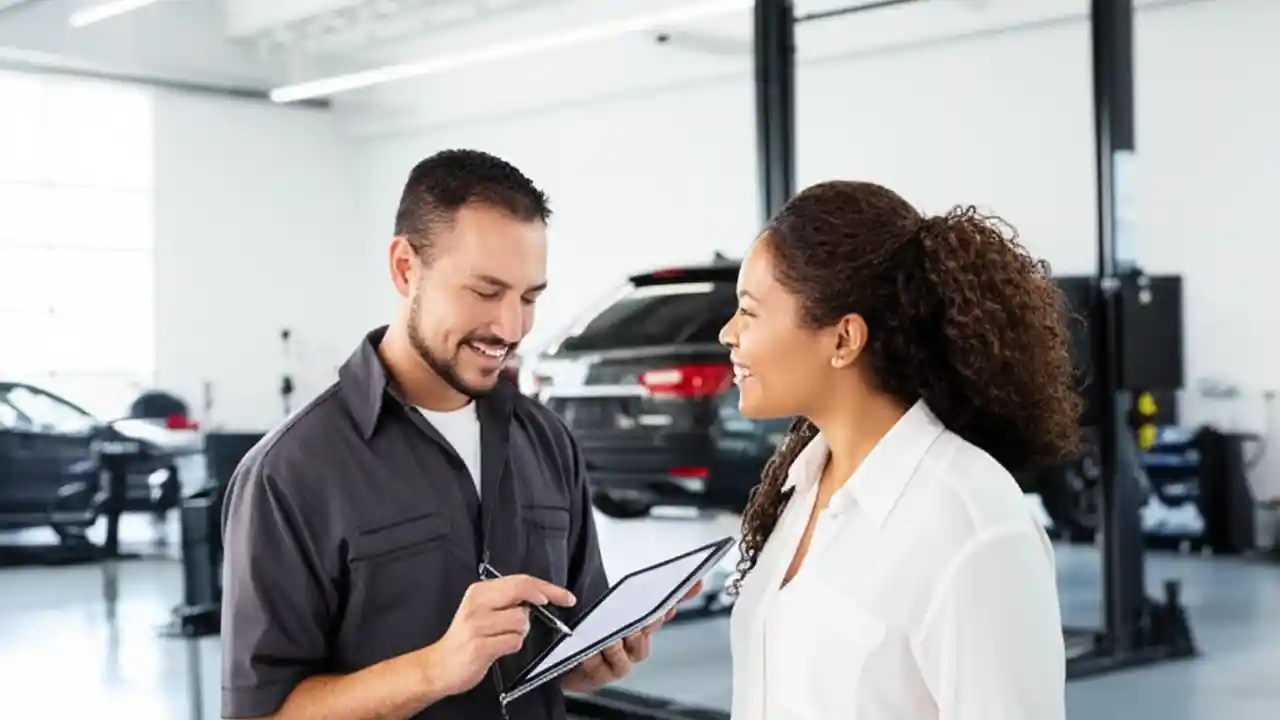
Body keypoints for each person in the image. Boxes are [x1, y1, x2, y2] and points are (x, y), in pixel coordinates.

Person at [220, 149, 695, 720]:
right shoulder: (289, 473)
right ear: (405, 268)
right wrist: (436, 669)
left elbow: (566, 659)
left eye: (529, 297)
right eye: (485, 292)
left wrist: (593, 662)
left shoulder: (546, 442)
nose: (511, 327)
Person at [720, 181, 1080, 720]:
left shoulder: (974, 527)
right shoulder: (803, 486)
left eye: (749, 312)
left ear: (844, 340)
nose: (729, 333)